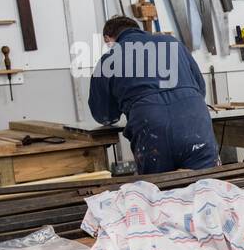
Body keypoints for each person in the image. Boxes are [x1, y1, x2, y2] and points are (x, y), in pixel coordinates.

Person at [89, 16, 219, 174]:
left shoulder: (108, 60)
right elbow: (200, 87)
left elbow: (104, 115)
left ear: (107, 39)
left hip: (151, 132)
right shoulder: (172, 42)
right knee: (207, 189)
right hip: (196, 124)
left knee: (159, 193)